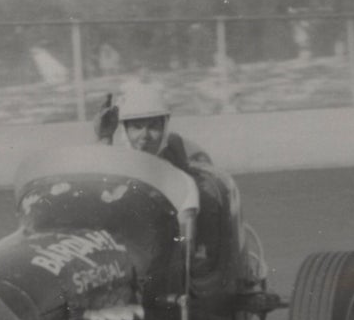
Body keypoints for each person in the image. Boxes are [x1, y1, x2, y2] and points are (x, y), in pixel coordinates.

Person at [94, 83, 265, 298]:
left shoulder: (182, 167)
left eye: (153, 126)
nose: (145, 136)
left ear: (165, 127)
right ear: (126, 129)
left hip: (170, 263)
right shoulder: (116, 161)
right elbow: (96, 190)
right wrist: (104, 139)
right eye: (137, 127)